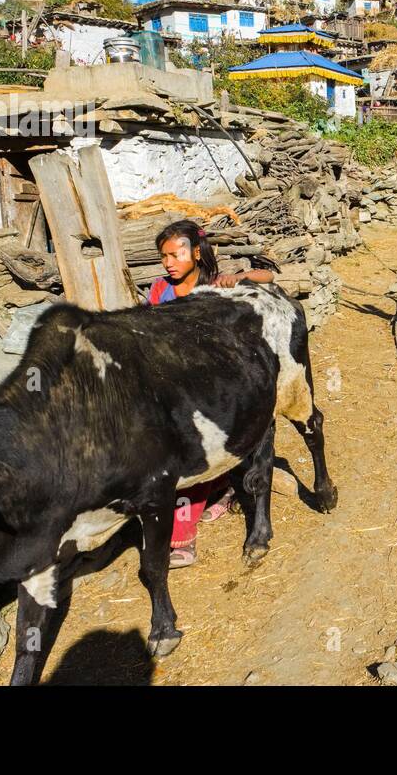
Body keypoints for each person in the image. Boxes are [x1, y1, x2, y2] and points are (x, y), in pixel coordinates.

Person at [147, 219, 276, 569]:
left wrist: (242, 278)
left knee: (191, 457)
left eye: (176, 254)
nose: (168, 262)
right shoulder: (160, 291)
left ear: (198, 253)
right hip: (176, 382)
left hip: (217, 385)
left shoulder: (216, 286)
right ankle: (226, 485)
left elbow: (269, 278)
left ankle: (182, 540)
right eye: (164, 256)